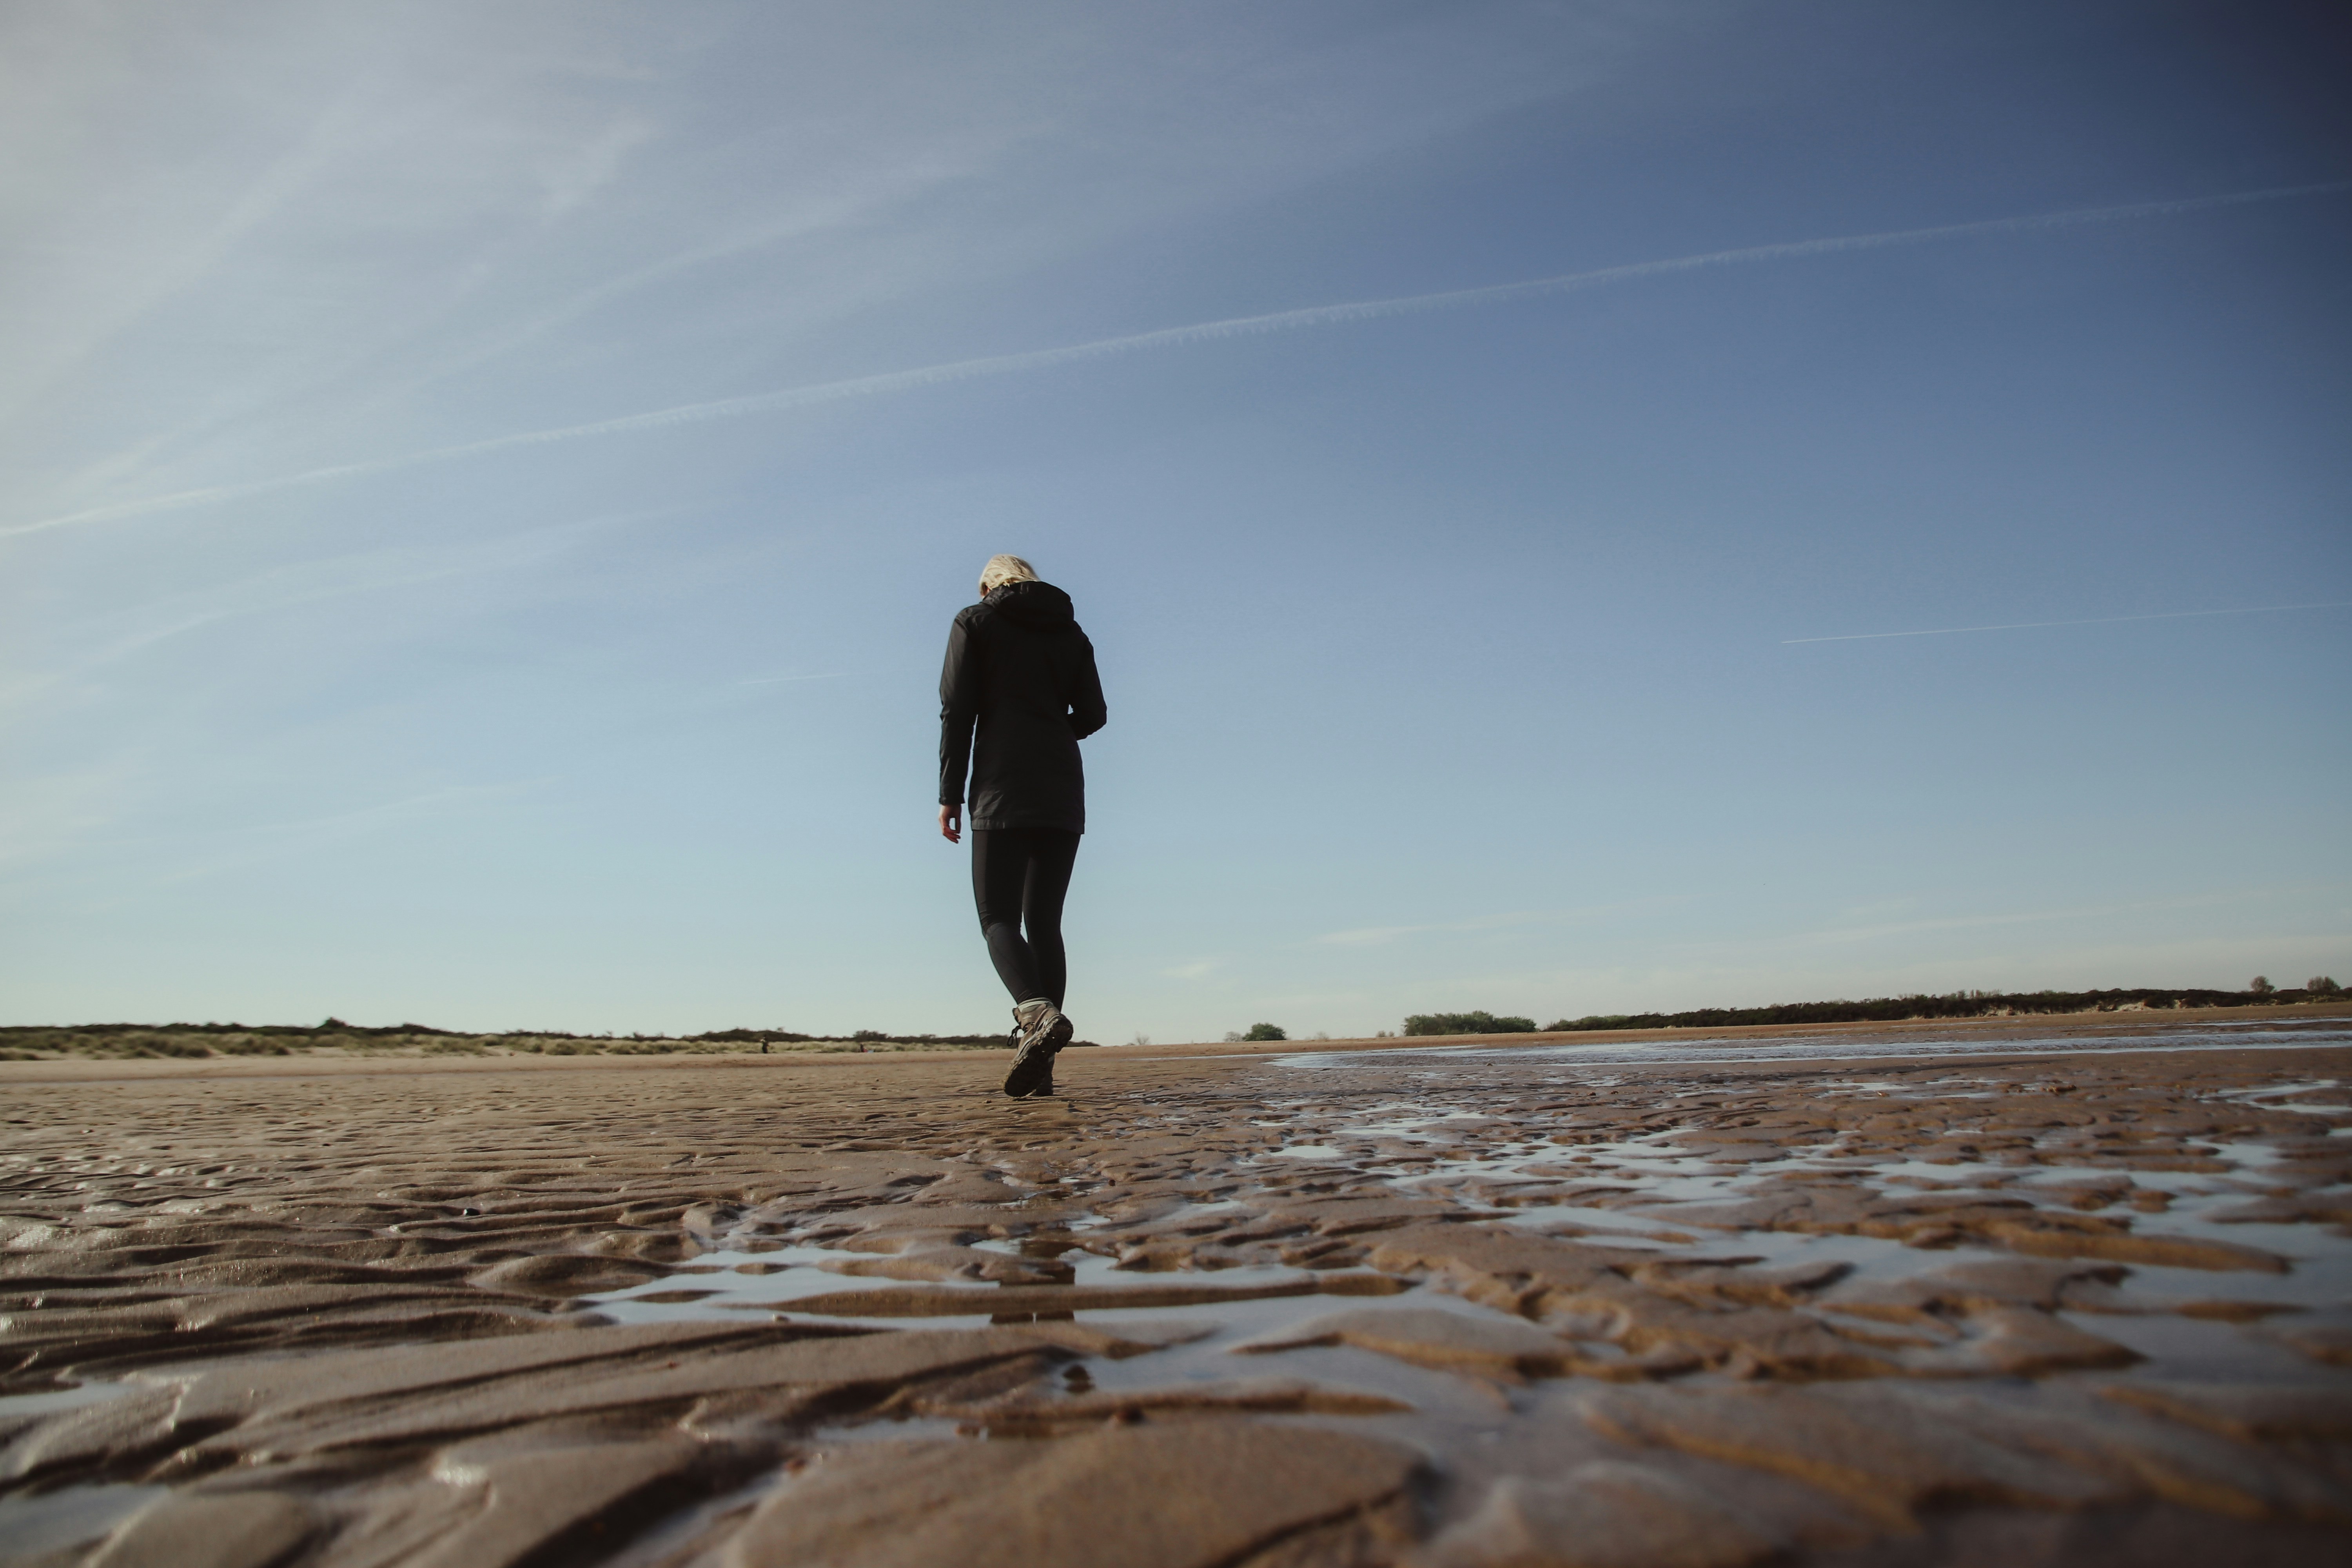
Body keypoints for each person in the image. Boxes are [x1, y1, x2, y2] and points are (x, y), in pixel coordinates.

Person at [938, 554, 1107, 1097]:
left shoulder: (976, 619)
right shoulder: (1070, 630)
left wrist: (948, 795)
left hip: (1000, 782)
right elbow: (1096, 713)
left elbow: (957, 711)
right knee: (1046, 923)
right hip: (1061, 784)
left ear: (990, 584)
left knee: (997, 918)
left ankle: (1034, 1016)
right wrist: (1051, 729)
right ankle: (1044, 1065)